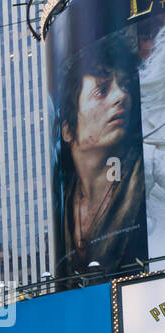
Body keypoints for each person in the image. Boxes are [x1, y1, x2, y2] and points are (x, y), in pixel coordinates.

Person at [55, 31, 147, 277]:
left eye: (125, 85)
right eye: (102, 90)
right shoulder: (61, 203)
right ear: (67, 129)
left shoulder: (151, 177)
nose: (121, 96)